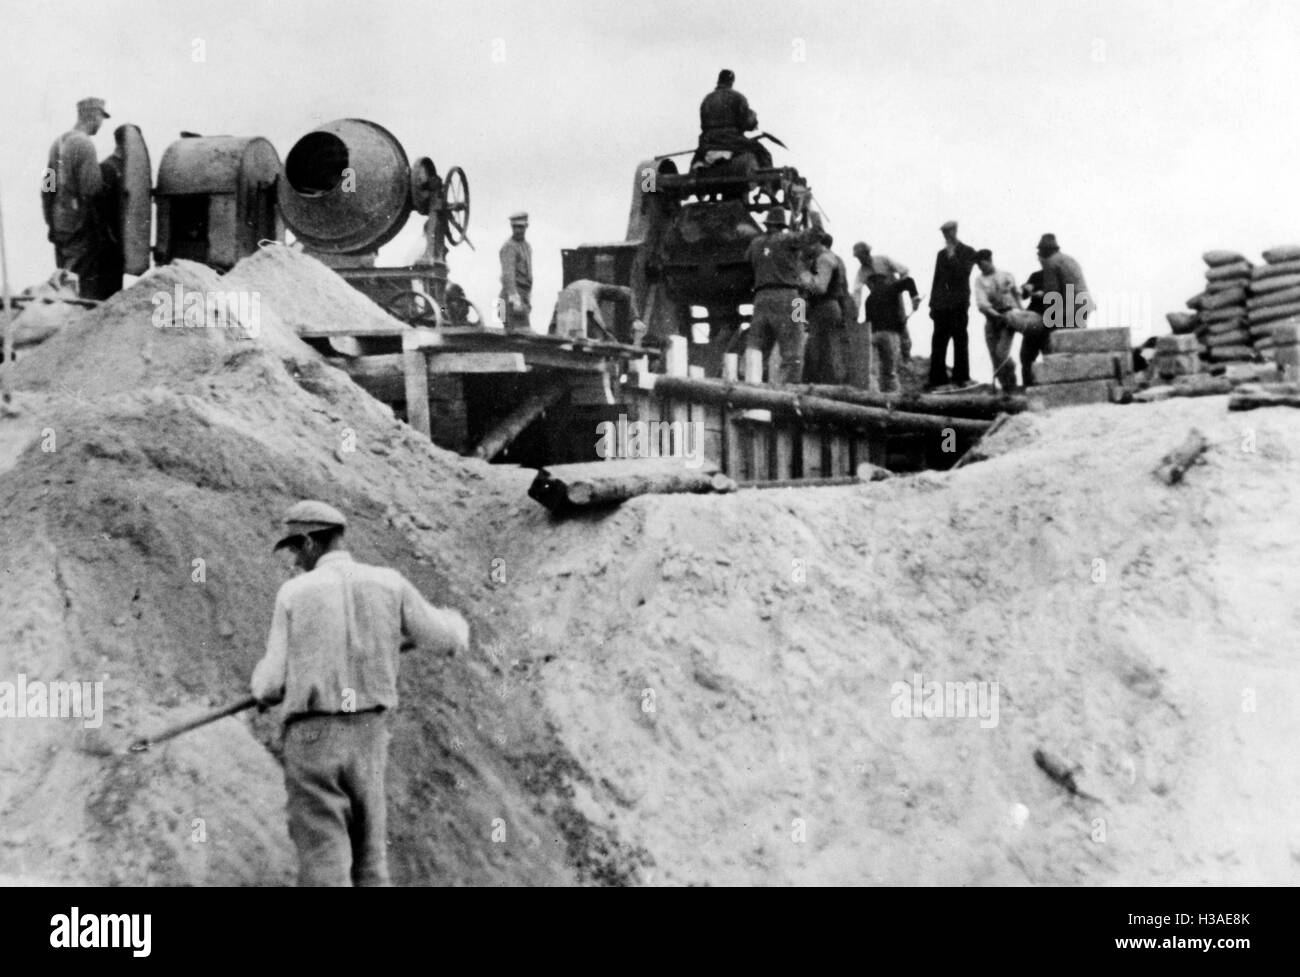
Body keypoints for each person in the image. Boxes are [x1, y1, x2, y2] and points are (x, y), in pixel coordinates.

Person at [250, 500, 470, 887]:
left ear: (309, 543)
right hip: (369, 736)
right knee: (370, 861)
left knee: (324, 861)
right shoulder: (389, 582)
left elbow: (269, 686)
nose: (293, 561)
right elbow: (445, 638)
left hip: (314, 739)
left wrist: (261, 692)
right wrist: (458, 625)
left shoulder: (295, 593)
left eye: (294, 549)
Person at [41, 98, 109, 300]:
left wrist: (51, 222)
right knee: (81, 288)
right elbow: (92, 190)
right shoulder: (85, 145)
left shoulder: (57, 143)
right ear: (94, 115)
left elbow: (47, 188)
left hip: (60, 224)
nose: (101, 123)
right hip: (80, 227)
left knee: (64, 282)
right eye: (101, 117)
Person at [745, 207, 820, 384]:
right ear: (782, 225)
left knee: (756, 348)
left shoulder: (755, 243)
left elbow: (749, 258)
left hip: (761, 298)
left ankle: (750, 389)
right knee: (795, 348)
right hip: (792, 297)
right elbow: (817, 233)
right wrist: (810, 210)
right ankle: (790, 393)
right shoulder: (788, 240)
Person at [927, 220, 979, 389]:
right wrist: (932, 305)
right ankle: (937, 379)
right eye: (944, 233)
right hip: (941, 306)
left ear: (955, 231)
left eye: (948, 232)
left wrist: (953, 256)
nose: (946, 236)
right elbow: (936, 280)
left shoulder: (969, 252)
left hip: (958, 304)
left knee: (960, 339)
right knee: (938, 342)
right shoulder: (940, 255)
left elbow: (963, 274)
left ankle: (961, 377)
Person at [800, 232, 852, 384]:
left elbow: (820, 287)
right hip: (825, 307)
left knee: (819, 350)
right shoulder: (833, 259)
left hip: (824, 307)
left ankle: (827, 386)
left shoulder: (824, 259)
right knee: (820, 349)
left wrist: (803, 275)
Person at [695, 69, 772, 171]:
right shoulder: (738, 98)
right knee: (763, 153)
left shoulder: (707, 100)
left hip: (708, 142)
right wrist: (753, 119)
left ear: (719, 80)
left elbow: (703, 125)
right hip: (732, 141)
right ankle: (768, 182)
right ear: (731, 81)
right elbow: (747, 123)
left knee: (696, 159)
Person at [850, 241, 913, 359]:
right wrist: (855, 311)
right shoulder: (861, 272)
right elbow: (857, 292)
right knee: (882, 326)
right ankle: (887, 354)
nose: (860, 260)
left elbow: (904, 270)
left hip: (894, 297)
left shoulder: (883, 260)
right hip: (879, 302)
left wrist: (899, 286)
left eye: (861, 256)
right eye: (858, 258)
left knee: (901, 321)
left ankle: (906, 353)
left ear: (867, 253)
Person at [973, 249, 1023, 391]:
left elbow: (1017, 296)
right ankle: (1006, 389)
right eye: (978, 265)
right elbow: (982, 303)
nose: (980, 267)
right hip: (992, 319)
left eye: (982, 264)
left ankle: (1011, 384)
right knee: (995, 358)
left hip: (1007, 318)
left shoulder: (1006, 276)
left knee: (1002, 354)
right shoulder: (980, 281)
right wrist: (994, 315)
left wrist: (1023, 313)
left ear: (989, 261)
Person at [863, 273, 921, 393]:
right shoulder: (891, 288)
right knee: (890, 372)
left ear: (872, 283)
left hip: (873, 335)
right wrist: (914, 297)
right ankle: (895, 400)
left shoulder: (869, 299)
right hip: (890, 335)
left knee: (872, 373)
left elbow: (868, 322)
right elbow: (909, 281)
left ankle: (874, 397)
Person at [551, 279, 646, 344]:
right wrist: (635, 319)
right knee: (604, 341)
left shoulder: (578, 285)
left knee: (566, 341)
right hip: (579, 298)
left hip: (564, 299)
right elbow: (628, 292)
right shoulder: (597, 287)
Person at [94, 126, 128, 299]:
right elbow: (101, 209)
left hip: (116, 239)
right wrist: (109, 236)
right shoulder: (108, 168)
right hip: (108, 240)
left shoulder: (122, 168)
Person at [1036, 233, 1093, 331]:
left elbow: (1052, 294)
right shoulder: (1069, 259)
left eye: (1040, 252)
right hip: (1085, 305)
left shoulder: (1051, 263)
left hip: (1070, 309)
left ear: (1044, 251)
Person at [498, 212, 533, 333]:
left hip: (521, 297)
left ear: (526, 226)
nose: (518, 230)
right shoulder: (509, 247)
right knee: (518, 336)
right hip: (509, 300)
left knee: (523, 335)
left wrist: (527, 301)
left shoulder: (526, 246)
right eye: (515, 227)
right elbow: (508, 275)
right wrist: (515, 300)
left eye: (521, 227)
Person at [1018, 269, 1049, 386]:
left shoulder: (1057, 276)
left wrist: (1045, 294)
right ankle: (1028, 387)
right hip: (1034, 320)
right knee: (1026, 357)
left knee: (1050, 356)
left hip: (1051, 320)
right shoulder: (1036, 275)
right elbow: (1023, 295)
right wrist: (1025, 288)